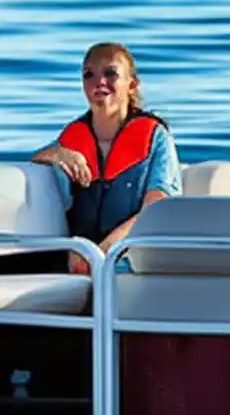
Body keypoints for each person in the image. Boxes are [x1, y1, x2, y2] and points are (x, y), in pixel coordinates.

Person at [31, 42, 181, 273]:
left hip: (133, 256)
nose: (99, 82)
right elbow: (33, 164)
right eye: (89, 75)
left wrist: (106, 249)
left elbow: (157, 208)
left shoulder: (155, 138)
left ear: (132, 84)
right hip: (76, 256)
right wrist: (56, 154)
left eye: (110, 73)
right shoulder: (72, 138)